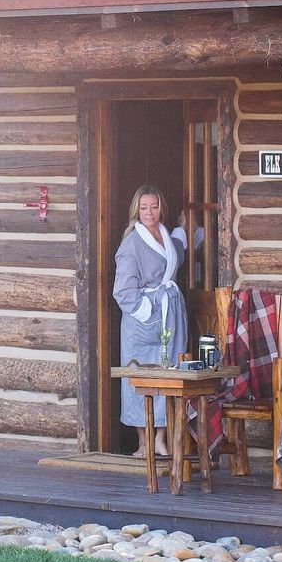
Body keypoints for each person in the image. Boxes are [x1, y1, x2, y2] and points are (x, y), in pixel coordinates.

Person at [114, 184, 188, 448]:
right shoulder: (131, 244)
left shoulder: (165, 235)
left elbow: (176, 254)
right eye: (144, 208)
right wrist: (146, 312)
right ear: (137, 210)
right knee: (140, 379)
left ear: (160, 208)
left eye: (154, 207)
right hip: (143, 322)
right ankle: (143, 442)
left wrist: (182, 228)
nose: (149, 212)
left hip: (169, 317)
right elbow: (123, 291)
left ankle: (160, 439)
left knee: (168, 376)